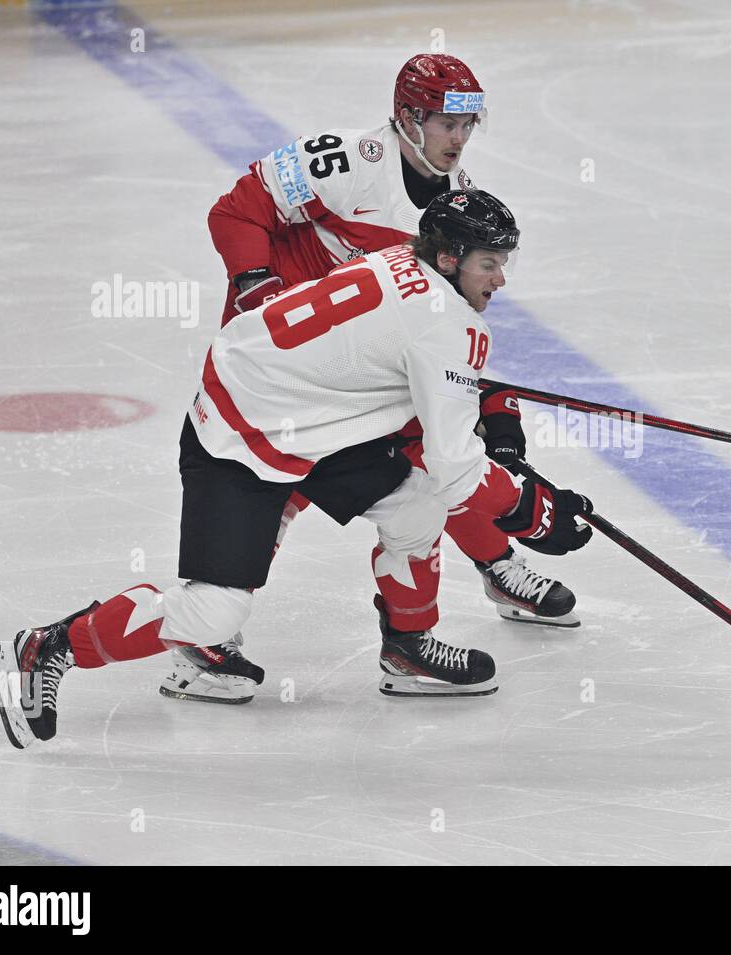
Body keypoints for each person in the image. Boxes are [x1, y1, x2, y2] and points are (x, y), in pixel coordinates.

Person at [0, 191, 594, 749]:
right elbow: (458, 466)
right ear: (448, 256)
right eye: (489, 262)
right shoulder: (448, 324)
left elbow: (433, 402)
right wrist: (536, 512)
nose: (501, 277)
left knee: (416, 502)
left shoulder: (397, 261)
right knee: (214, 611)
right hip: (240, 435)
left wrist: (507, 462)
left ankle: (407, 649)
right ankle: (52, 645)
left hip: (299, 411)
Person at [172, 52, 581, 705]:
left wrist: (494, 413)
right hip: (290, 367)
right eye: (447, 122)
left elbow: (446, 325)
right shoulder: (347, 161)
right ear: (407, 116)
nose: (459, 138)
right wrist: (257, 286)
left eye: (468, 123)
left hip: (361, 368)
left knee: (432, 467)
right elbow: (235, 211)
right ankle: (204, 633)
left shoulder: (455, 201)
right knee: (281, 489)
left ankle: (479, 579)